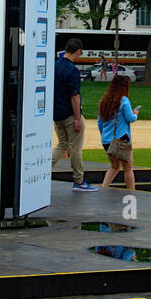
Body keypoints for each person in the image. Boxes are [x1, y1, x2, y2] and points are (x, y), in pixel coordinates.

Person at [54, 38, 97, 191]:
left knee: (62, 144)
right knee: (76, 148)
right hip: (70, 114)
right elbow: (74, 96)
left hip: (57, 114)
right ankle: (79, 181)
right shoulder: (72, 70)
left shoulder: (54, 66)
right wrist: (77, 118)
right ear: (78, 51)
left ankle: (42, 171)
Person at [97, 75, 139, 190]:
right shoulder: (124, 101)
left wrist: (104, 136)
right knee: (128, 168)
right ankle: (131, 192)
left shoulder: (103, 102)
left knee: (114, 167)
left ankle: (103, 188)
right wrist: (135, 114)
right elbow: (130, 118)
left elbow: (100, 123)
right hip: (121, 139)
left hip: (106, 140)